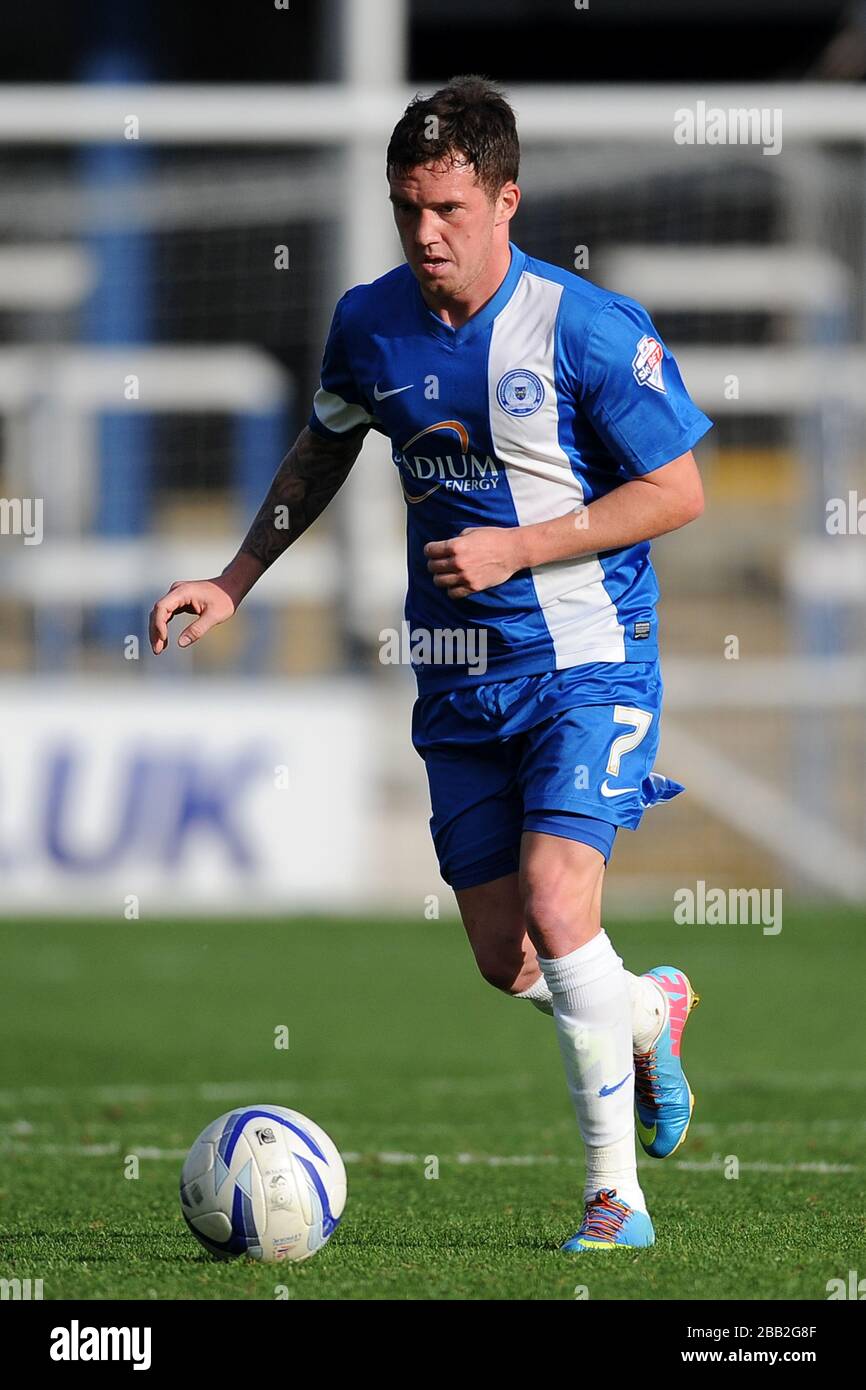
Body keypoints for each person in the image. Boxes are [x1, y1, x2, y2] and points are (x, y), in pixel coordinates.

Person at [149, 74, 711, 1252]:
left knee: (562, 911)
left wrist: (522, 543)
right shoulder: (369, 320)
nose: (426, 233)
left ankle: (615, 1199)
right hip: (456, 678)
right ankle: (648, 1012)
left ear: (506, 201)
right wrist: (233, 577)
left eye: (449, 208)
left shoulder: (587, 329)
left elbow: (677, 490)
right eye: (407, 207)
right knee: (510, 960)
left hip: (584, 664)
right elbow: (327, 442)